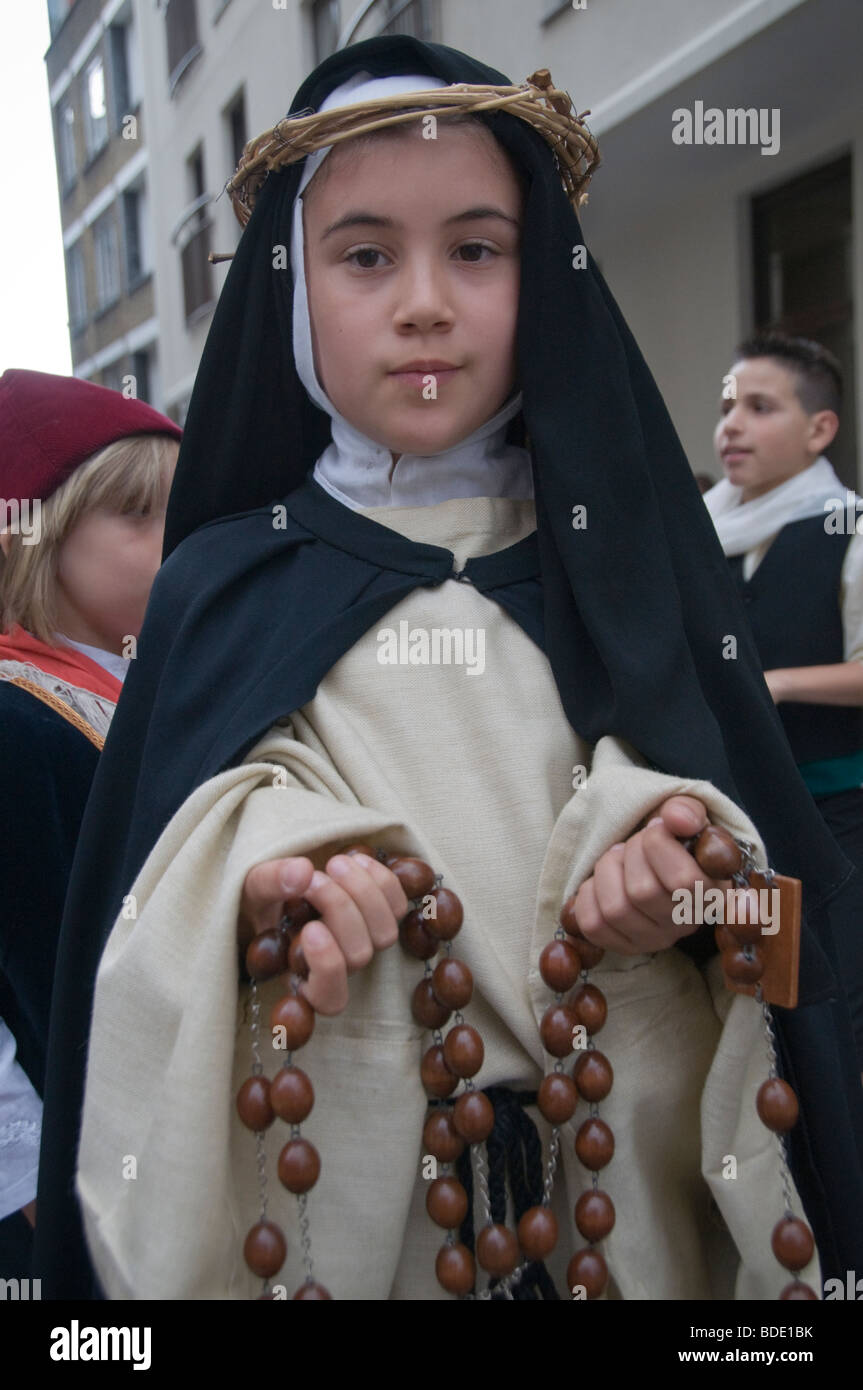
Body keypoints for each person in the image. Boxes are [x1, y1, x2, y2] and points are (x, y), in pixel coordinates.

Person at [34, 37, 863, 1302]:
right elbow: (127, 951)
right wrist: (262, 877)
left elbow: (796, 950)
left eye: (477, 249)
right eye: (364, 254)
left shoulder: (640, 572)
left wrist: (690, 881)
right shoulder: (219, 593)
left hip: (636, 1241)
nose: (424, 301)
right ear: (287, 287)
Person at [0, 369, 180, 1277]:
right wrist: (21, 1170)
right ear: (43, 531)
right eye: (139, 516)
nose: (172, 541)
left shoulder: (153, 691)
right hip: (56, 1181)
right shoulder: (9, 715)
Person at [706, 335, 863, 1068]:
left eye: (758, 407)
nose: (729, 425)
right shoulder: (702, 535)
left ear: (819, 429)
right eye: (726, 405)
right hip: (728, 827)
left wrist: (778, 683)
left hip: (836, 819)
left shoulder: (848, 528)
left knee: (841, 1013)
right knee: (753, 1021)